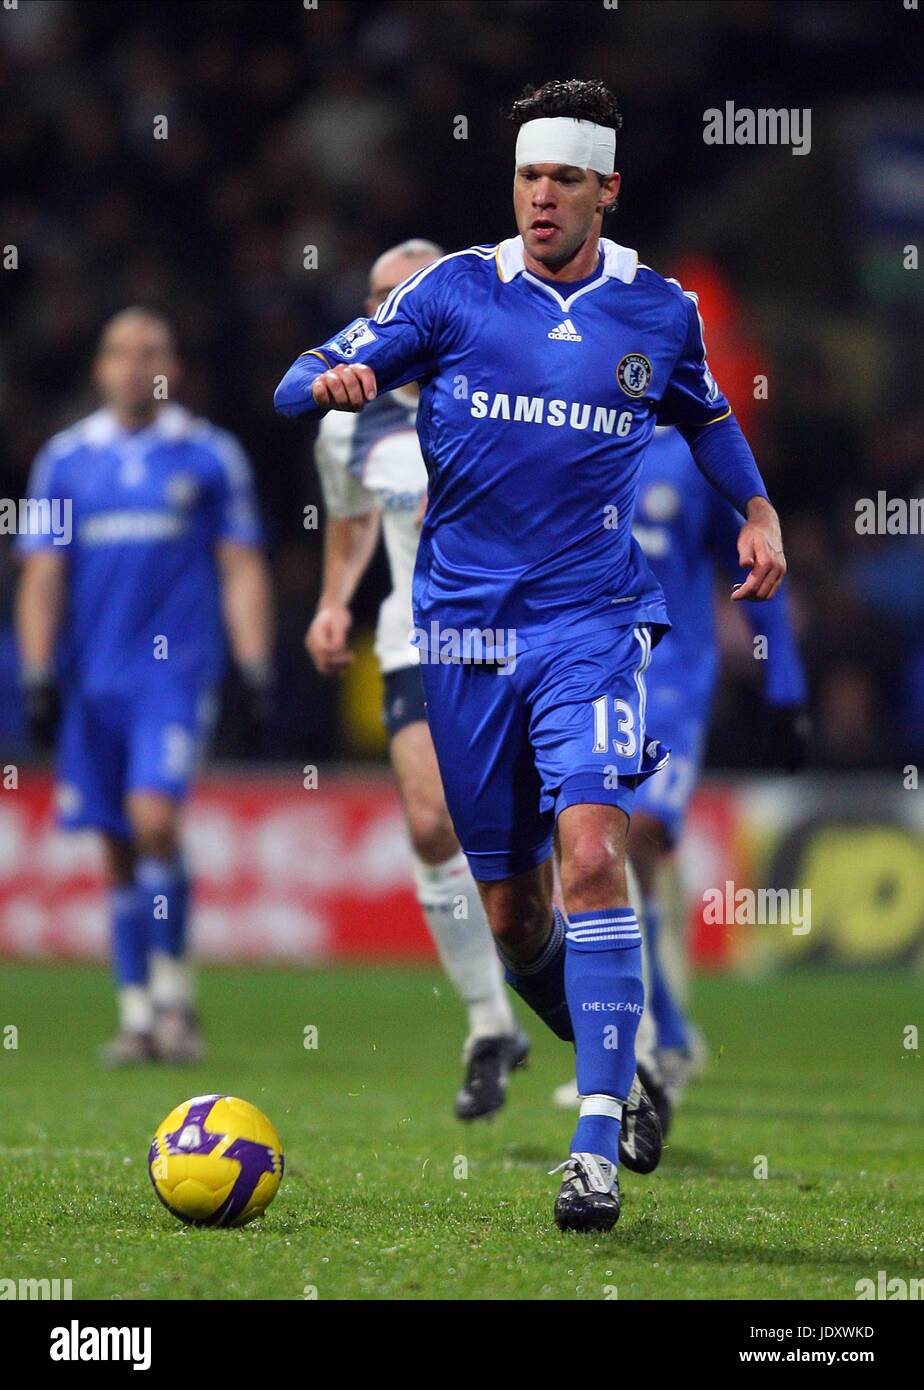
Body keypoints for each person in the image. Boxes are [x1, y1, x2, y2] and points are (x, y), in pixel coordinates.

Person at [275, 78, 787, 1233]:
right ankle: (625, 1066)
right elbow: (293, 378)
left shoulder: (658, 311)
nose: (542, 195)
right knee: (512, 914)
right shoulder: (451, 290)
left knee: (596, 854)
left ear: (608, 187)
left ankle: (594, 1141)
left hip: (591, 625)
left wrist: (755, 511)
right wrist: (337, 380)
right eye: (527, 176)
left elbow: (705, 415)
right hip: (459, 637)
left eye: (564, 178)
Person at [307, 238, 528, 1120]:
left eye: (411, 292)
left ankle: (624, 1046)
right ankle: (486, 1026)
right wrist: (333, 602)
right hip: (416, 639)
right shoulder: (346, 418)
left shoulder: (504, 390)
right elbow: (353, 518)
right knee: (431, 821)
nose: (392, 308)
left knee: (558, 846)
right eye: (379, 295)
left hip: (525, 639)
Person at [16, 309, 274, 1065]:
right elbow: (42, 574)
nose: (135, 365)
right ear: (100, 368)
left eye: (151, 351)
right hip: (92, 681)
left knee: (154, 821)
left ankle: (173, 995)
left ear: (174, 366)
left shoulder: (207, 455)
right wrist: (36, 671)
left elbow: (240, 564)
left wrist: (253, 666)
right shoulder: (65, 460)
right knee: (117, 844)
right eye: (121, 352)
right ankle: (137, 1013)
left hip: (172, 674)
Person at [554, 426, 809, 1117]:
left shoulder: (693, 458)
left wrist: (784, 683)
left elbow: (759, 564)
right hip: (590, 671)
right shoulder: (574, 432)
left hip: (670, 679)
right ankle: (659, 1034)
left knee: (640, 838)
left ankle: (653, 1040)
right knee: (589, 844)